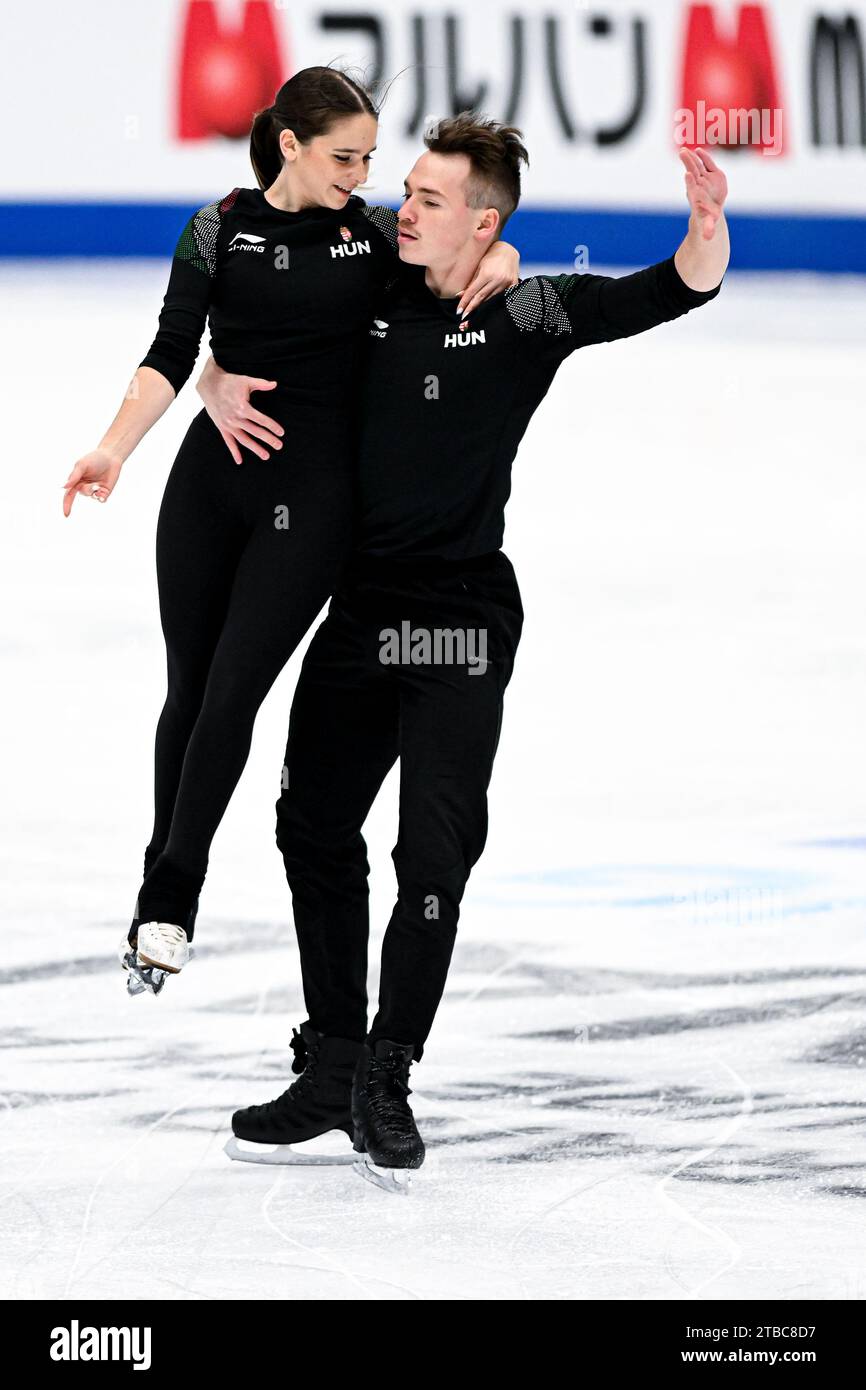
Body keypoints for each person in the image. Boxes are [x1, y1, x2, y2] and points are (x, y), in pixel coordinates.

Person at [200, 115, 729, 1191]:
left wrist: (704, 229)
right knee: (311, 824)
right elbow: (254, 290)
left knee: (433, 857)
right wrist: (211, 375)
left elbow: (665, 291)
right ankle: (331, 1064)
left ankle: (386, 1072)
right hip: (362, 608)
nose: (401, 209)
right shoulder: (370, 281)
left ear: (483, 223)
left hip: (457, 618)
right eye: (404, 190)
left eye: (429, 201)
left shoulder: (524, 311)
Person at [60, 69, 519, 997]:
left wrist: (502, 257)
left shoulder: (369, 238)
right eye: (345, 157)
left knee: (233, 693)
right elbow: (170, 350)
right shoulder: (216, 228)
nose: (362, 176)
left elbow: (454, 258)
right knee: (189, 692)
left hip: (313, 506)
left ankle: (173, 895)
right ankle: (161, 878)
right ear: (290, 146)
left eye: (370, 159)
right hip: (209, 486)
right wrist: (119, 443)